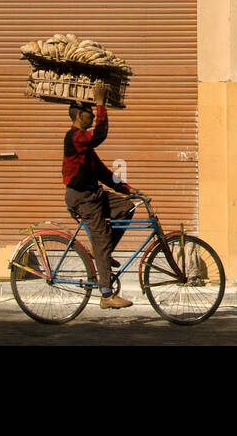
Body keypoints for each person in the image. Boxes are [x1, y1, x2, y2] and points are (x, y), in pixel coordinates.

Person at [62, 82, 135, 309]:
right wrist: (101, 102)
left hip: (95, 194)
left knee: (127, 208)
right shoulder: (74, 137)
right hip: (82, 198)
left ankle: (100, 251)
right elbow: (101, 134)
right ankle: (106, 295)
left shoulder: (86, 149)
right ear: (78, 115)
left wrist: (128, 190)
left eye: (94, 113)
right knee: (102, 238)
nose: (93, 117)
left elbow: (103, 173)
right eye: (90, 113)